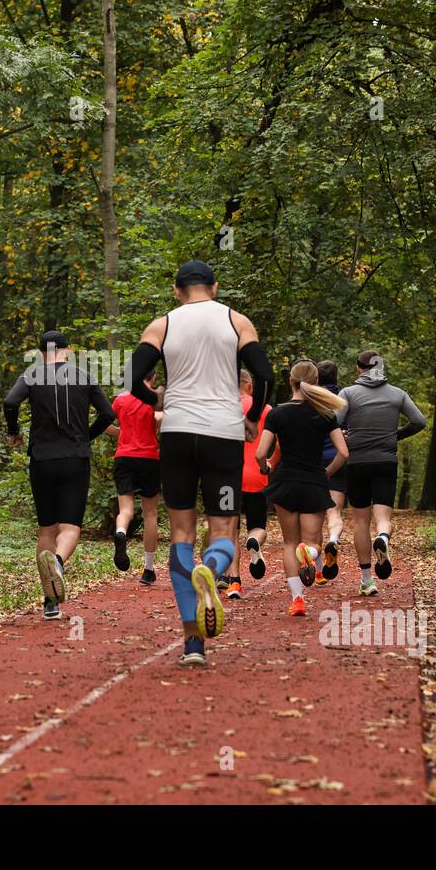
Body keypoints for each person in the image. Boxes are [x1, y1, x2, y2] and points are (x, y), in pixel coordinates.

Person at [125, 260, 276, 667]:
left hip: (176, 434)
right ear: (215, 286)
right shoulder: (236, 321)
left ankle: (193, 642)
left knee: (181, 534)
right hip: (223, 435)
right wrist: (252, 415)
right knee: (224, 528)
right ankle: (212, 567)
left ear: (177, 290)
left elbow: (131, 375)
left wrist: (155, 400)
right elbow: (264, 375)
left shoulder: (162, 325)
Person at [4, 331, 115, 620]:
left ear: (42, 353)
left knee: (46, 529)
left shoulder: (31, 376)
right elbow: (108, 414)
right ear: (68, 350)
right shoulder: (84, 376)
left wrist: (14, 432)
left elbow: (10, 402)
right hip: (75, 459)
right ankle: (57, 563)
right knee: (70, 529)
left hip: (42, 459)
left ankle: (49, 602)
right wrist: (86, 437)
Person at [255, 361, 348, 616]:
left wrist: (265, 469)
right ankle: (310, 553)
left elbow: (261, 453)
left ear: (290, 382)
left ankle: (297, 600)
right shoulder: (327, 414)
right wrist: (327, 472)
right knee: (310, 542)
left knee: (289, 543)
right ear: (315, 382)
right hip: (314, 482)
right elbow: (343, 452)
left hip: (285, 482)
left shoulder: (277, 414)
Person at [337, 350, 427, 596]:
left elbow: (333, 422)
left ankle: (367, 580)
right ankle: (384, 537)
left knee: (361, 521)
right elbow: (420, 421)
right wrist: (396, 434)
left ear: (358, 369)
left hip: (357, 462)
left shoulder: (348, 394)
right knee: (383, 516)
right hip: (386, 461)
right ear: (382, 368)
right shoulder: (397, 394)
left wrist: (346, 436)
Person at [224, 369, 279, 599]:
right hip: (257, 476)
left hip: (227, 478)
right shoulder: (266, 410)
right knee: (258, 526)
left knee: (229, 530)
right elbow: (279, 445)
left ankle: (234, 581)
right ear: (247, 384)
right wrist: (270, 464)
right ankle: (254, 541)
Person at [107, 371, 163, 586]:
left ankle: (121, 532)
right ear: (153, 377)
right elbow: (160, 420)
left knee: (125, 510)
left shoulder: (120, 399)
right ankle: (148, 569)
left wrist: (122, 433)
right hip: (149, 458)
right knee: (150, 514)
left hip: (124, 458)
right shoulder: (153, 397)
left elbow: (104, 423)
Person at [316, 359, 347, 584]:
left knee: (315, 517)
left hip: (314, 463)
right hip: (337, 460)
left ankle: (318, 571)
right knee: (334, 512)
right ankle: (334, 539)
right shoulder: (343, 402)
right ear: (336, 378)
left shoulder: (310, 401)